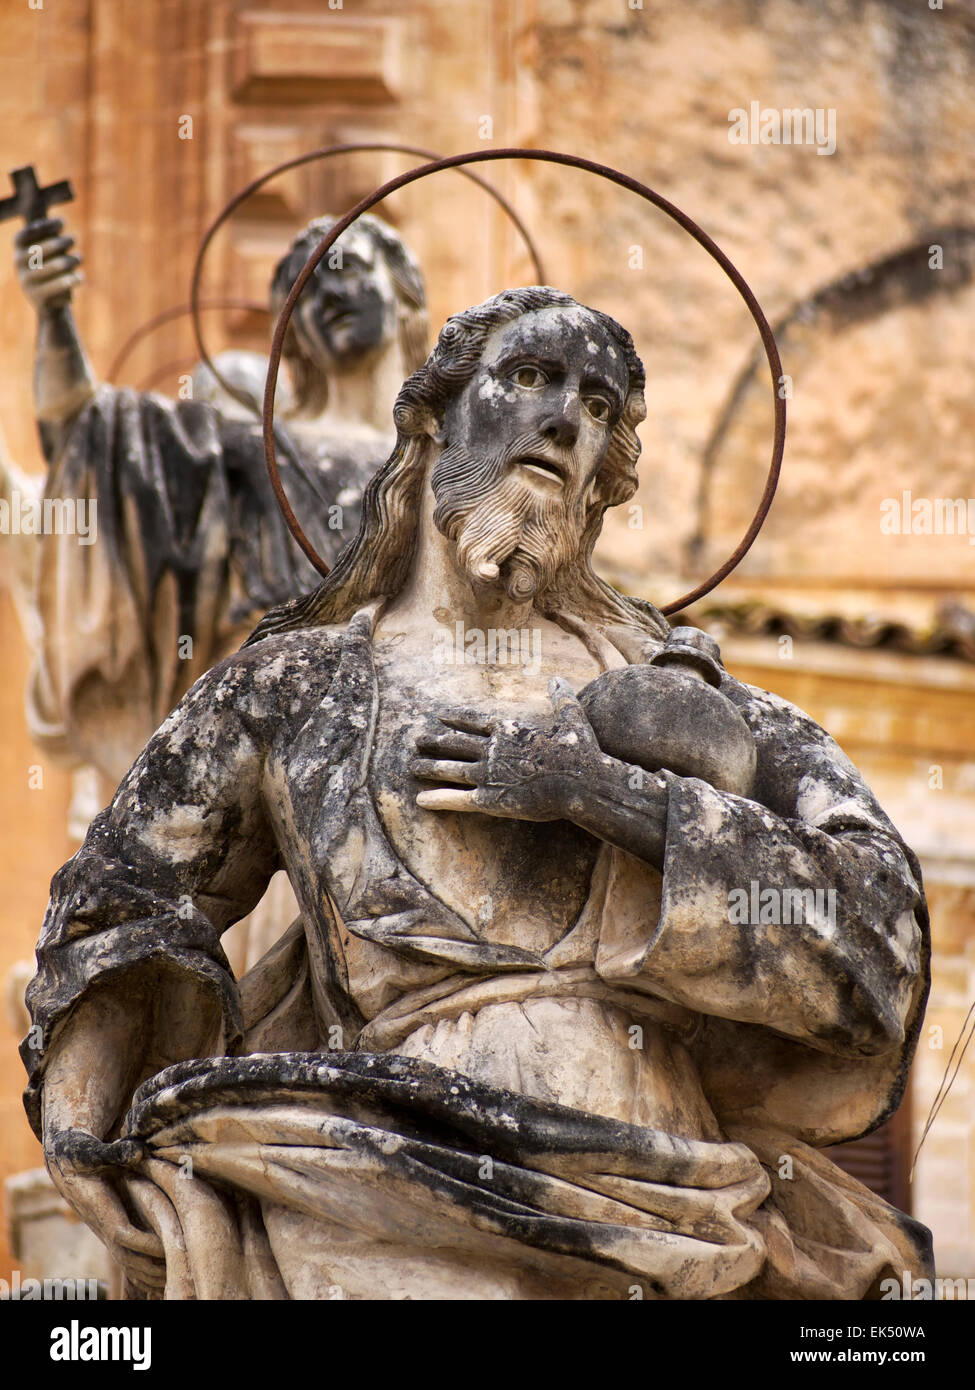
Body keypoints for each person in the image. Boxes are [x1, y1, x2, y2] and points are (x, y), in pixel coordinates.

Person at [24, 286, 932, 1300]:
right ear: (431, 419)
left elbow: (879, 934)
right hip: (371, 1202)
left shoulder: (681, 695)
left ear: (603, 479)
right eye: (532, 379)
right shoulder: (295, 688)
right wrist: (85, 1117)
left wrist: (601, 794)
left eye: (597, 408)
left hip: (664, 1195)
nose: (562, 419)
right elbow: (117, 901)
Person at [11, 210, 427, 784]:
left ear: (404, 294)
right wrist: (55, 311)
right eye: (304, 290)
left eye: (348, 267)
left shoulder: (455, 461)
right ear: (295, 333)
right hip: (275, 724)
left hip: (417, 721)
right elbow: (88, 434)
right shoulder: (250, 445)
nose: (328, 291)